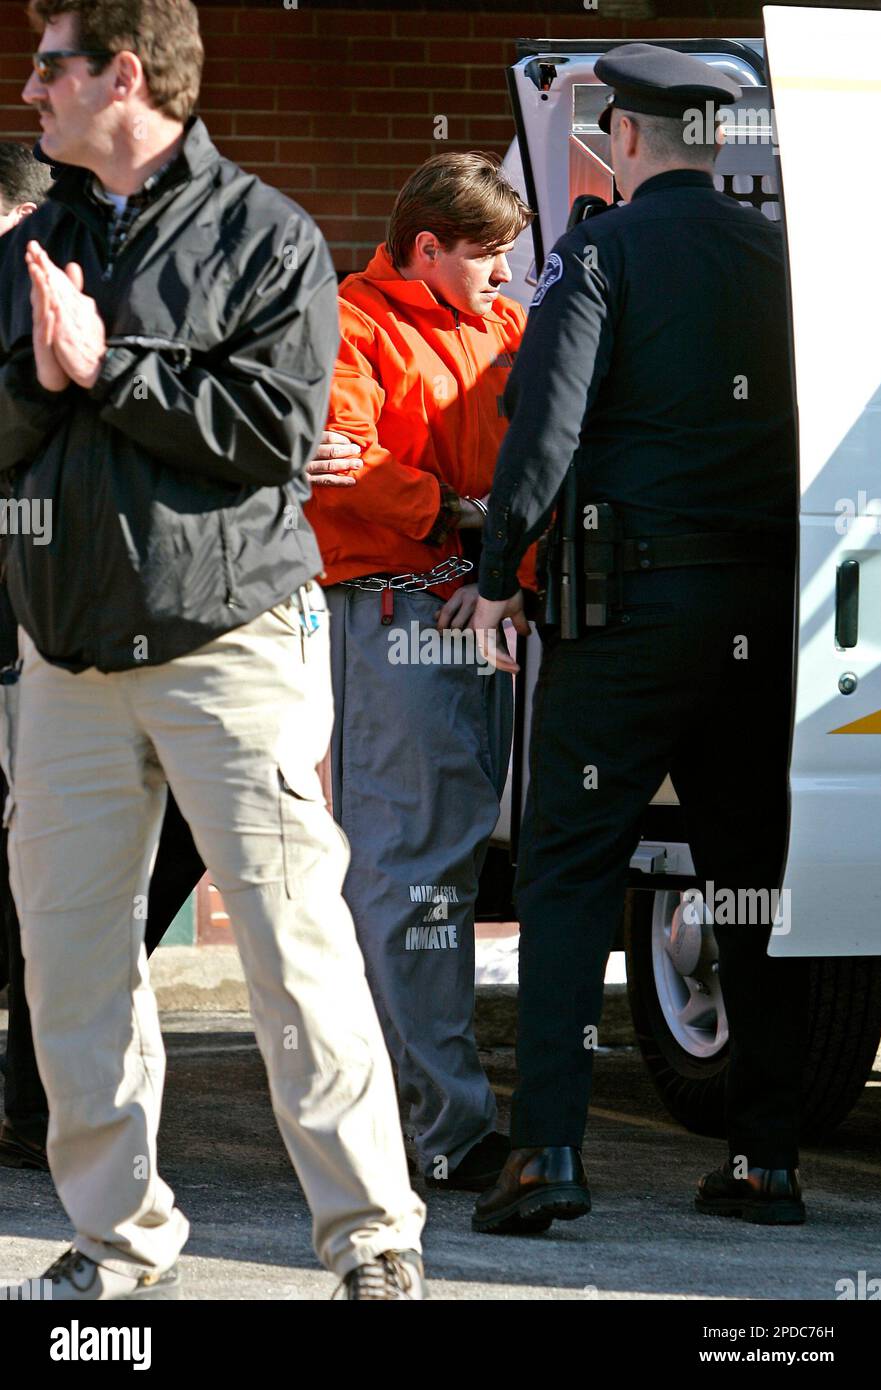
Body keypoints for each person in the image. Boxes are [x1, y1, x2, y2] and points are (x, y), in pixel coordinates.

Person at [1, 0, 425, 1300]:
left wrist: (107, 364)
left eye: (48, 62)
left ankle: (373, 1246)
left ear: (121, 74)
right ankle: (121, 1248)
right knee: (72, 962)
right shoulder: (36, 240)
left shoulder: (268, 238)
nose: (28, 87)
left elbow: (276, 428)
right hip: (66, 664)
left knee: (295, 945)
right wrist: (40, 374)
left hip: (227, 647)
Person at [470, 43, 809, 1234]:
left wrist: (496, 575)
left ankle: (545, 1157)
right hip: (765, 621)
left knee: (565, 875)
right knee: (753, 882)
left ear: (620, 139)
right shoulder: (789, 261)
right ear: (716, 143)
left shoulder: (600, 250)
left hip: (624, 618)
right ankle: (766, 1160)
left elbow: (543, 430)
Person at [303, 152, 534, 1192]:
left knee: (432, 866)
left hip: (476, 612)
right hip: (397, 613)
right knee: (409, 874)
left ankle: (432, 1112)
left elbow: (541, 454)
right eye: (487, 255)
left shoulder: (500, 326)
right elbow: (341, 459)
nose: (503, 272)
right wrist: (457, 518)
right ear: (425, 246)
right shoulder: (348, 321)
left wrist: (500, 560)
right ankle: (443, 1125)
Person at [0, 141, 207, 1177]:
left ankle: (40, 1103)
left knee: (78, 879)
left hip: (76, 635)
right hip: (43, 644)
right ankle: (40, 1105)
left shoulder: (109, 302)